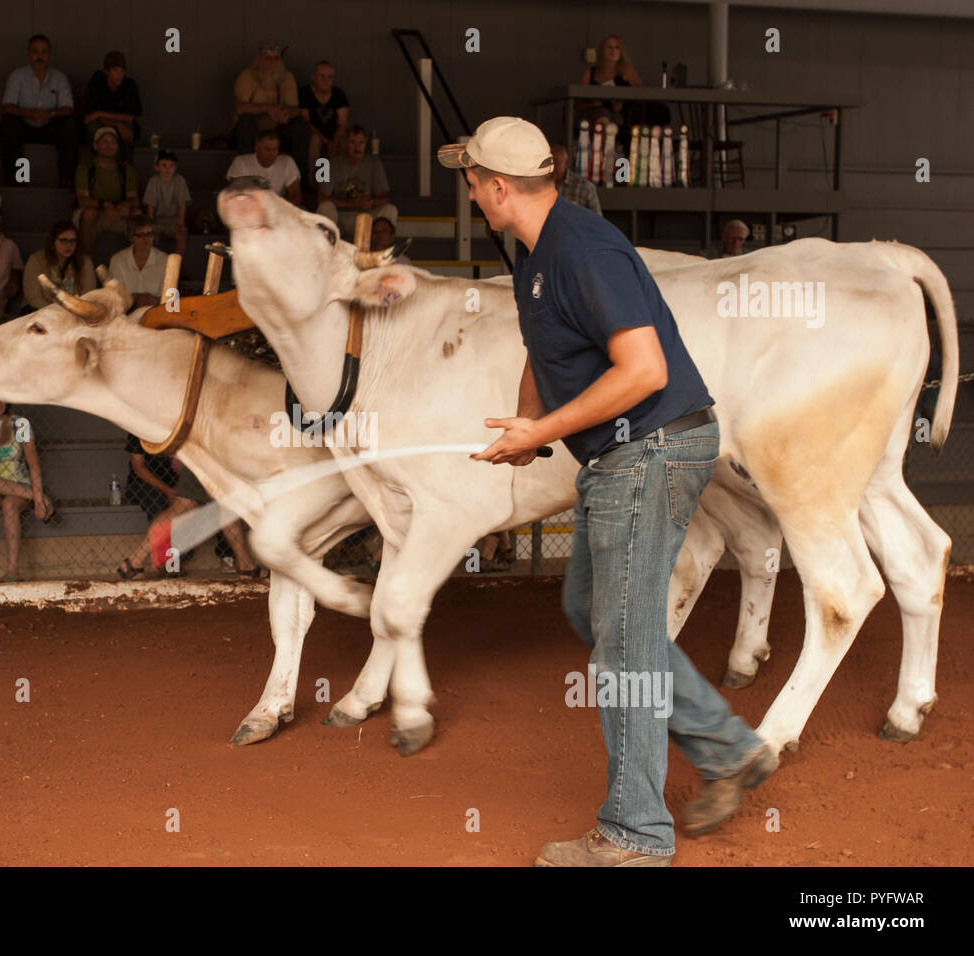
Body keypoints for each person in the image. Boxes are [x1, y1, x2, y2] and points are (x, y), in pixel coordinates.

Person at [445, 116, 775, 866]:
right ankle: (729, 749)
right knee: (592, 613)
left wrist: (544, 431)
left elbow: (644, 371)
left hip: (651, 451)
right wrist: (530, 419)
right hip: (627, 455)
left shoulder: (581, 247)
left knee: (623, 648)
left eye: (471, 179)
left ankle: (635, 833)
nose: (467, 191)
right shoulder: (537, 254)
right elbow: (548, 348)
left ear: (499, 186)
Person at [117, 438, 260, 579]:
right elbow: (138, 467)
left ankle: (134, 562)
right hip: (206, 454)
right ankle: (246, 566)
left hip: (206, 455)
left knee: (202, 508)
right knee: (216, 507)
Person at [0, 399, 53, 582]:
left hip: (20, 485)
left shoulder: (20, 424)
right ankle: (38, 497)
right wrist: (39, 497)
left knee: (9, 504)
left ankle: (12, 570)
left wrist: (36, 494)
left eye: (0, 397)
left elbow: (34, 464)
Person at [1, 34, 77, 188]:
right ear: (29, 54)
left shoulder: (59, 77)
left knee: (70, 126)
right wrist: (29, 113)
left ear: (49, 54)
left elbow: (68, 108)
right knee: (8, 125)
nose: (40, 56)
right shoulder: (17, 76)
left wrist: (49, 114)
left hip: (50, 125)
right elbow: (7, 106)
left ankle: (66, 178)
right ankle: (19, 177)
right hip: (24, 125)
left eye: (44, 52)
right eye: (36, 52)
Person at [232, 41, 309, 179]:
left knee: (300, 124)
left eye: (276, 59)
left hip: (277, 131)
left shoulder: (286, 77)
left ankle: (299, 180)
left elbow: (295, 109)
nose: (272, 63)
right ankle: (246, 178)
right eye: (268, 58)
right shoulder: (247, 76)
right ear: (260, 58)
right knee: (245, 121)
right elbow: (239, 107)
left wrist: (285, 114)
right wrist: (266, 108)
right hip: (253, 132)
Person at [73, 125, 141, 255]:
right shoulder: (86, 168)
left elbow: (134, 199)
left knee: (137, 214)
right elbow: (82, 200)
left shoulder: (126, 169)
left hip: (118, 213)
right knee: (89, 213)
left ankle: (136, 262)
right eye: (105, 142)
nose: (109, 146)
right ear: (96, 145)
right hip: (96, 214)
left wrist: (122, 205)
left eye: (112, 142)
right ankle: (86, 263)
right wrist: (105, 205)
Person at [316, 125, 396, 231]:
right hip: (339, 216)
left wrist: (371, 201)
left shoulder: (375, 164)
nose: (357, 147)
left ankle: (382, 247)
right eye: (352, 142)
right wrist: (352, 203)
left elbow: (384, 197)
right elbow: (321, 198)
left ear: (365, 144)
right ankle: (327, 246)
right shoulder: (327, 164)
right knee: (325, 206)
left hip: (365, 217)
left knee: (390, 209)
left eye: (361, 143)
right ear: (345, 144)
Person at [23, 219, 96, 310]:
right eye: (63, 240)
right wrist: (58, 311)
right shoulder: (36, 260)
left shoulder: (85, 262)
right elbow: (34, 298)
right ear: (53, 242)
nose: (69, 245)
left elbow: (89, 296)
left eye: (73, 240)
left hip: (76, 312)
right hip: (42, 311)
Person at [83, 50, 142, 156]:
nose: (119, 74)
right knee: (93, 127)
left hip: (121, 122)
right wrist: (116, 123)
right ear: (106, 71)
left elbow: (130, 116)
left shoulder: (129, 85)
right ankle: (95, 167)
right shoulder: (97, 81)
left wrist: (99, 113)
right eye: (115, 70)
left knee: (128, 131)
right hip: (102, 122)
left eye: (122, 70)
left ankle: (125, 169)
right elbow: (91, 115)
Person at [226, 129, 302, 206]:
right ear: (257, 148)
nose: (271, 154)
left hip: (278, 208)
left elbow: (295, 196)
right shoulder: (241, 162)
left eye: (275, 149)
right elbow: (237, 195)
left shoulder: (287, 162)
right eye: (267, 149)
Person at [299, 60, 350, 174]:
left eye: (329, 77)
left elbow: (343, 123)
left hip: (334, 136)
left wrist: (334, 142)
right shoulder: (304, 93)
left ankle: (339, 183)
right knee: (315, 141)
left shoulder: (338, 94)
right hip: (313, 137)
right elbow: (305, 123)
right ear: (313, 77)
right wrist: (327, 142)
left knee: (345, 140)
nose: (326, 80)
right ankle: (316, 184)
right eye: (322, 76)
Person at [107, 216, 166, 309]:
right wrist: (135, 299)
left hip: (155, 312)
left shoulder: (164, 260)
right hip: (126, 314)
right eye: (141, 235)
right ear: (131, 238)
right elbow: (115, 297)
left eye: (149, 234)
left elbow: (168, 297)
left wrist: (153, 300)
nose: (146, 239)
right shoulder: (117, 260)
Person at [142, 150, 190, 255]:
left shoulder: (179, 180)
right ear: (156, 167)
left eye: (171, 165)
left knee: (181, 233)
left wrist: (180, 224)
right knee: (148, 235)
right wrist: (149, 226)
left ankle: (177, 262)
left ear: (175, 167)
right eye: (163, 165)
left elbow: (182, 204)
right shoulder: (154, 181)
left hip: (174, 221)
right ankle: (151, 263)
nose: (168, 169)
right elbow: (150, 207)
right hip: (157, 220)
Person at [551, 143, 602, 216]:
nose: (552, 168)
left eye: (556, 163)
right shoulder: (540, 186)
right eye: (549, 164)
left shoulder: (585, 187)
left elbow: (598, 222)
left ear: (566, 163)